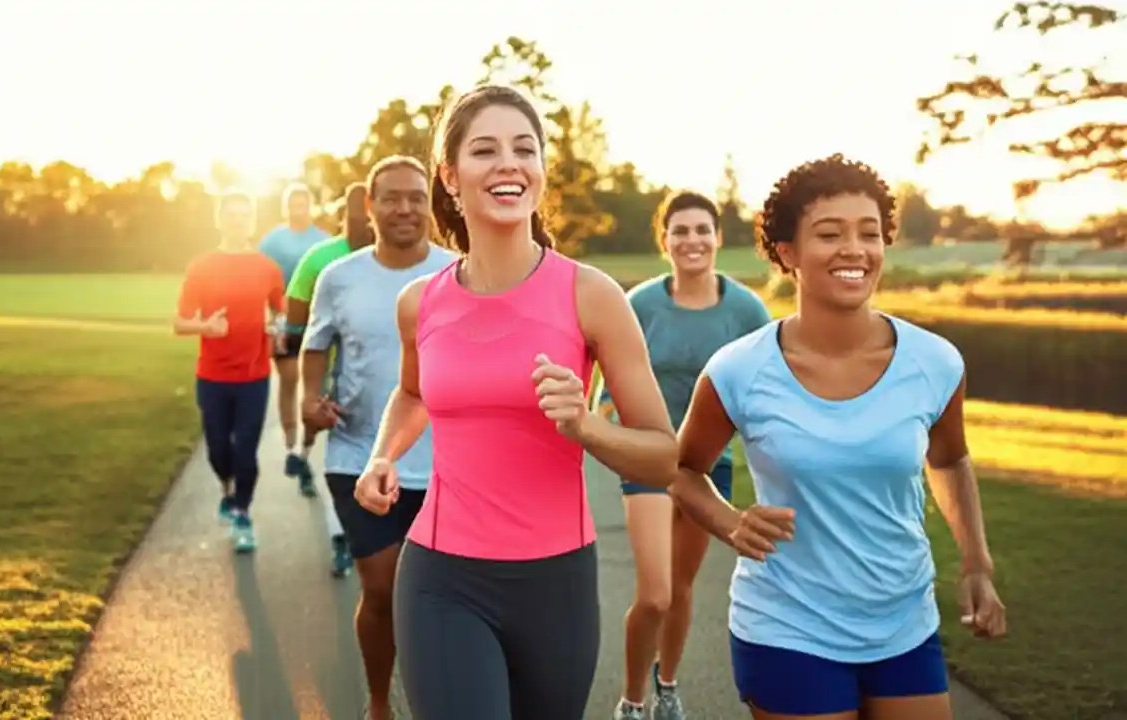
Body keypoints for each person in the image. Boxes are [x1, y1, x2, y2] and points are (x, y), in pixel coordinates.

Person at [353, 84, 678, 720]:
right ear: (449, 176)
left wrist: (586, 426)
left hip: (557, 583)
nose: (508, 163)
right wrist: (381, 455)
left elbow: (664, 457)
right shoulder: (419, 302)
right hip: (442, 579)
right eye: (484, 149)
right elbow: (414, 392)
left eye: (524, 148)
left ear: (541, 170)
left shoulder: (592, 295)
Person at [668, 153, 1007, 720]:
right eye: (830, 234)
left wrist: (976, 562)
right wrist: (731, 522)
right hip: (787, 623)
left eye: (869, 234)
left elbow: (949, 461)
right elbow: (682, 471)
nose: (854, 249)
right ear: (787, 253)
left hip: (903, 620)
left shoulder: (935, 362)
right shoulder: (738, 371)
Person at [597, 190, 772, 720]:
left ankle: (666, 686)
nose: (692, 240)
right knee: (653, 594)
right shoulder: (641, 304)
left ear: (718, 238)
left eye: (702, 230)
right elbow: (607, 392)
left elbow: (767, 386)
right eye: (681, 231)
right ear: (665, 240)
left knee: (679, 589)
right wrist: (611, 431)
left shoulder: (746, 309)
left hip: (707, 463)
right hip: (649, 458)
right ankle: (631, 699)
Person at [302, 155, 455, 720]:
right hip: (357, 455)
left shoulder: (456, 272)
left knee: (430, 597)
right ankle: (376, 701)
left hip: (443, 462)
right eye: (391, 197)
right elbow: (314, 346)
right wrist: (308, 399)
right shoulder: (338, 277)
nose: (405, 208)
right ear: (368, 208)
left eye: (416, 196)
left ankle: (432, 700)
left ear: (432, 204)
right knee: (386, 586)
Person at [174, 191, 285, 553]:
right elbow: (179, 322)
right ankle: (227, 489)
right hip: (212, 375)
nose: (238, 221)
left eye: (244, 214)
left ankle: (242, 514)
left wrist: (278, 327)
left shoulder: (267, 267)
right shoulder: (201, 266)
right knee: (218, 450)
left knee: (246, 451)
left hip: (254, 375)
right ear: (219, 220)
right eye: (231, 215)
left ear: (252, 221)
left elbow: (280, 312)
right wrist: (205, 327)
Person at [286, 182, 375, 578]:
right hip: (334, 375)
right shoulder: (322, 259)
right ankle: (340, 535)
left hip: (376, 381)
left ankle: (306, 459)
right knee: (333, 450)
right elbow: (297, 316)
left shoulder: (399, 258)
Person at [257, 182, 330, 497]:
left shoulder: (324, 241)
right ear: (285, 207)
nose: (297, 209)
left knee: (315, 391)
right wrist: (271, 322)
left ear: (311, 206)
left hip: (319, 325)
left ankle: (304, 451)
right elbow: (260, 281)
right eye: (292, 204)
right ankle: (290, 447)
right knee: (289, 381)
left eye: (303, 204)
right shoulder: (272, 241)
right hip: (286, 325)